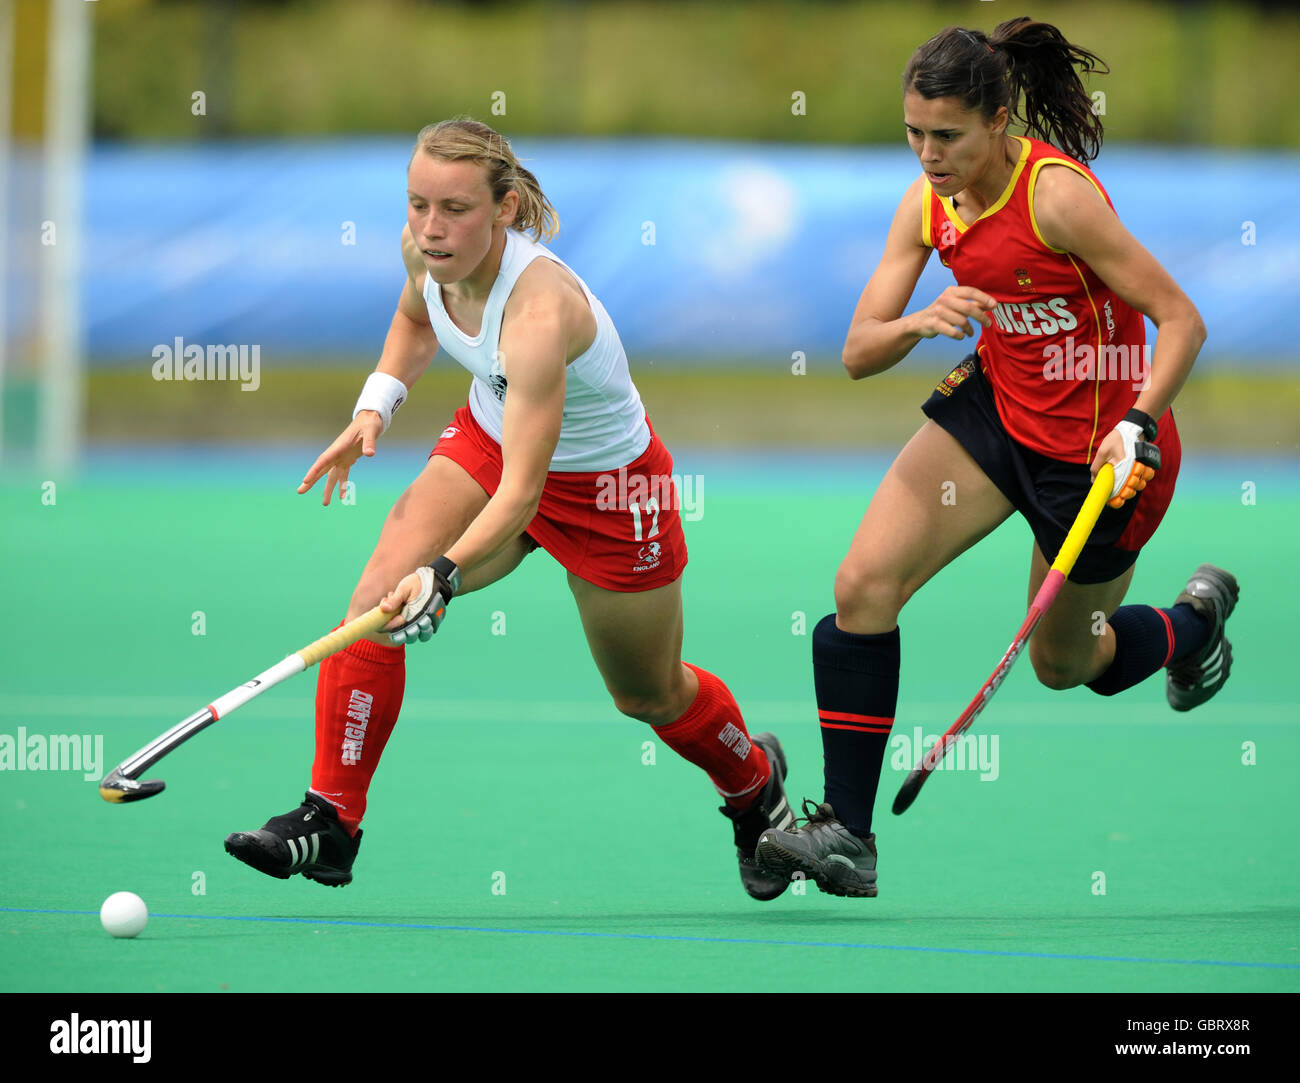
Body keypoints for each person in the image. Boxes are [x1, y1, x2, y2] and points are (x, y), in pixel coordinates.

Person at [224, 118, 795, 899]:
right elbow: (415, 320)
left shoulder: (538, 314)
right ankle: (332, 819)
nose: (431, 226)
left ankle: (753, 782)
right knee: (376, 600)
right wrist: (375, 408)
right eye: (418, 203)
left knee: (648, 693)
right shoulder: (424, 251)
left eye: (454, 208)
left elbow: (523, 494)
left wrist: (446, 575)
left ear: (505, 208)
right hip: (492, 436)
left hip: (606, 488)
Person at [755, 18, 1238, 898]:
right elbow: (859, 350)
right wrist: (917, 323)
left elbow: (1183, 319)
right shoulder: (926, 205)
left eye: (947, 136)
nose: (928, 155)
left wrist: (1138, 420)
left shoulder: (1056, 198)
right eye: (914, 133)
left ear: (998, 120)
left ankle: (1194, 625)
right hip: (995, 414)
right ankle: (849, 836)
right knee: (862, 584)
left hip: (1100, 452)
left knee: (1067, 664)